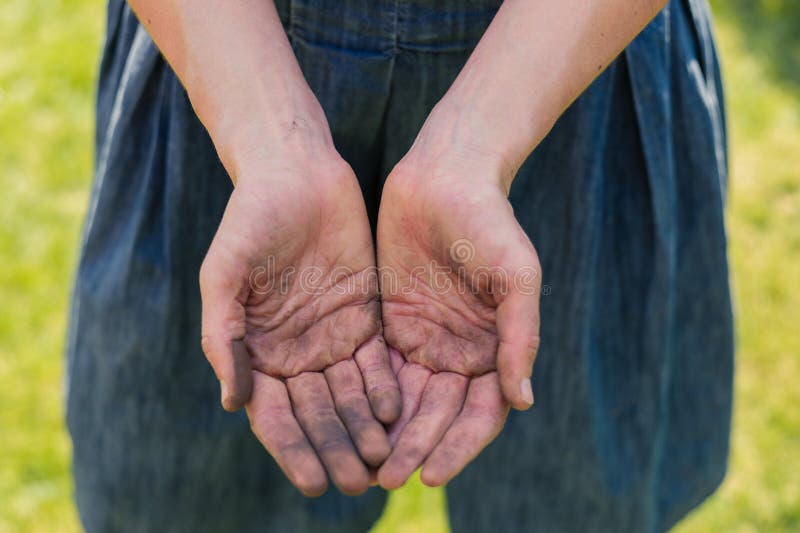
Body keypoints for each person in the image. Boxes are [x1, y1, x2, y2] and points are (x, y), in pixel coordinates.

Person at [65, 0, 734, 531]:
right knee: (194, 508)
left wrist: (476, 145)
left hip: (575, 54)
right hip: (219, 55)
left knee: (575, 508)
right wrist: (269, 142)